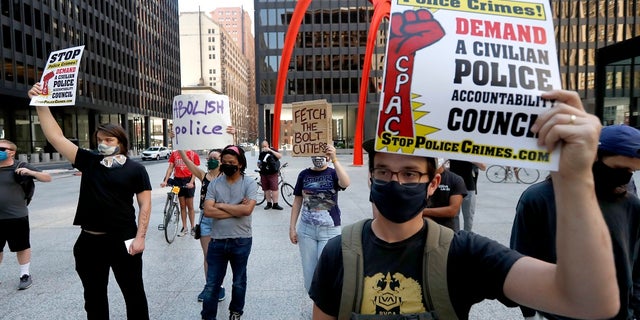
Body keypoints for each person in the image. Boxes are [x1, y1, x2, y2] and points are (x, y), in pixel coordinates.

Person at [309, 90, 619, 319]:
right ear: (371, 178)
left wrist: (575, 178)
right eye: (384, 172)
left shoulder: (464, 253)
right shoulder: (338, 254)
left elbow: (590, 301)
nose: (395, 182)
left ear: (433, 183)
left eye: (409, 173)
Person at [29, 83, 152, 319]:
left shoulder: (136, 170)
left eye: (109, 139)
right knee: (94, 298)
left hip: (124, 241)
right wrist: (41, 103)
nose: (103, 143)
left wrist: (140, 238)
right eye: (100, 139)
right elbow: (56, 137)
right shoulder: (88, 161)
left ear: (121, 142)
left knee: (134, 294)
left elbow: (145, 204)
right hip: (89, 242)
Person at [510, 124, 640, 320]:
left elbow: (636, 264)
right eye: (620, 168)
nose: (626, 176)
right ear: (592, 156)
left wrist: (635, 309)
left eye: (632, 171)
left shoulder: (631, 205)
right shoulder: (539, 199)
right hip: (558, 314)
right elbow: (521, 257)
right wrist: (530, 313)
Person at [201, 145, 258, 320]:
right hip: (217, 241)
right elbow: (208, 211)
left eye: (231, 162)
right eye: (224, 162)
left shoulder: (249, 183)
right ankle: (208, 316)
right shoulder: (215, 183)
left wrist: (221, 205)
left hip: (241, 240)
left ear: (240, 164)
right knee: (212, 284)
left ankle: (236, 312)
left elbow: (247, 211)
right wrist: (237, 208)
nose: (227, 165)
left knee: (239, 281)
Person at [289, 145, 350, 293]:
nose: (318, 157)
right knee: (309, 273)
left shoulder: (333, 173)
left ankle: (326, 309)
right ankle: (315, 305)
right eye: (314, 153)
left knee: (328, 271)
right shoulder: (304, 174)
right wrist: (292, 227)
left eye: (322, 154)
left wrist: (335, 159)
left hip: (330, 229)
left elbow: (345, 183)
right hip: (306, 231)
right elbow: (297, 201)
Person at [0, 139, 51, 290]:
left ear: (12, 152)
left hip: (16, 215)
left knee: (21, 246)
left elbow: (47, 178)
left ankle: (25, 274)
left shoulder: (20, 166)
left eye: (2, 148)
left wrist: (31, 172)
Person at [178, 148, 227, 303]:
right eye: (209, 157)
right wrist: (179, 146)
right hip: (205, 218)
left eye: (215, 158)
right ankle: (210, 286)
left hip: (221, 219)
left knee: (220, 256)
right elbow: (188, 162)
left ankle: (218, 286)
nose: (210, 160)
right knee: (208, 256)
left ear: (222, 161)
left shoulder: (226, 176)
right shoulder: (203, 175)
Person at [161, 149, 200, 236]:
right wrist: (165, 180)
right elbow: (170, 168)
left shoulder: (193, 154)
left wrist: (191, 182)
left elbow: (195, 170)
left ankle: (192, 227)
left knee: (190, 206)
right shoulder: (174, 154)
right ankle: (184, 227)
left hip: (188, 180)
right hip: (177, 181)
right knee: (182, 206)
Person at [422, 158, 466, 231]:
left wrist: (422, 211)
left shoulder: (455, 179)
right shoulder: (422, 177)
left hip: (446, 229)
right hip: (422, 228)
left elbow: (452, 210)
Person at [448, 159, 486, 231]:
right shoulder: (452, 151)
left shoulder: (471, 152)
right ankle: (456, 237)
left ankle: (467, 236)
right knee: (454, 215)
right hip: (453, 186)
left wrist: (471, 159)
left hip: (469, 186)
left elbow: (483, 167)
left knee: (468, 216)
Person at [258, 140, 283, 210]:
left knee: (275, 189)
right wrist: (259, 164)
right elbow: (259, 162)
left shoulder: (272, 150)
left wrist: (270, 150)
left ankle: (275, 204)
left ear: (268, 145)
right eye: (263, 147)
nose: (264, 148)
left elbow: (280, 156)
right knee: (266, 189)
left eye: (265, 146)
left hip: (273, 173)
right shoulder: (261, 153)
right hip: (264, 173)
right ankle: (268, 203)